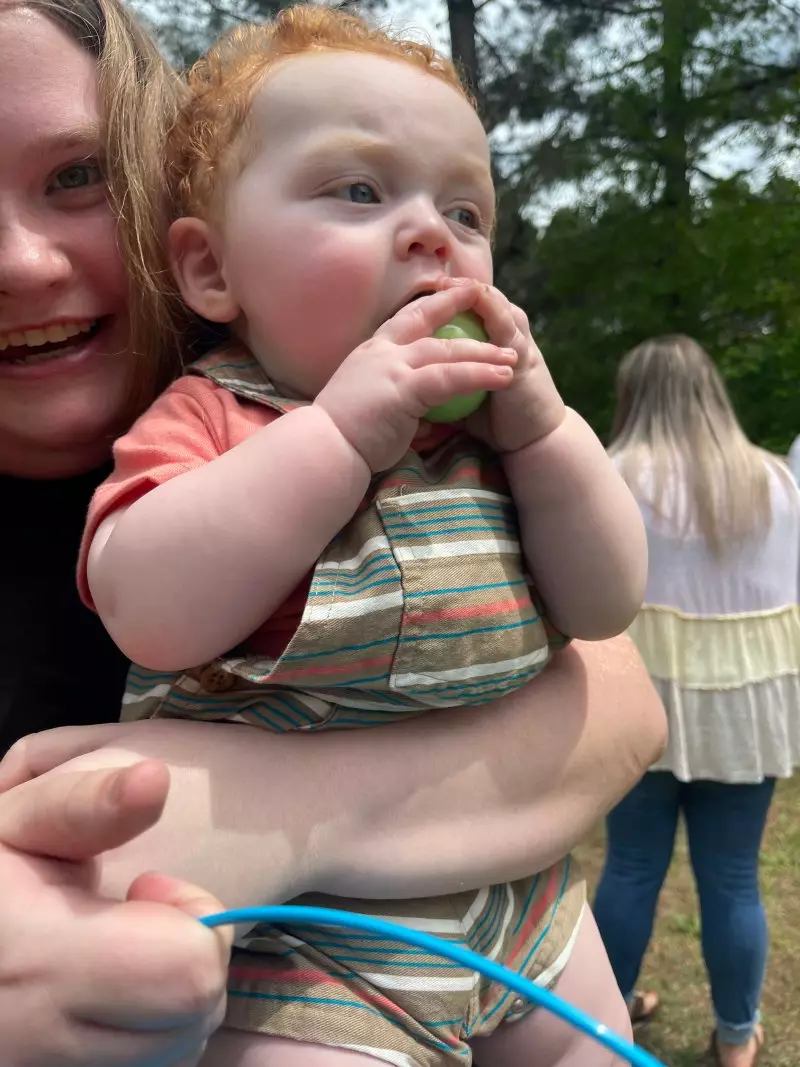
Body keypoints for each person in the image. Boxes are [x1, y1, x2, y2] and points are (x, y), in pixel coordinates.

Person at [0, 1, 667, 1064]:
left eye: (466, 210)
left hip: (528, 910)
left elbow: (607, 624)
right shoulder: (212, 421)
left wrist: (546, 433)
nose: (430, 234)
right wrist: (341, 434)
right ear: (211, 271)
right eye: (358, 191)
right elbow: (151, 610)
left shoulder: (490, 436)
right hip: (311, 955)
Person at [594, 335, 800, 1067]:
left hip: (634, 705)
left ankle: (604, 1024)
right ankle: (737, 1039)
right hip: (743, 714)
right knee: (735, 878)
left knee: (630, 867)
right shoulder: (778, 483)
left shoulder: (607, 478)